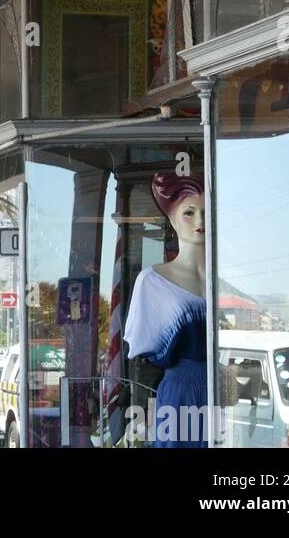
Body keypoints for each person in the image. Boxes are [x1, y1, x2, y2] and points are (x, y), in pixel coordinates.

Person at [124, 173, 207, 448]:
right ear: (172, 219)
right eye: (189, 213)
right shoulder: (153, 282)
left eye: (207, 212)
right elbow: (141, 359)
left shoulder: (226, 280)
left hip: (225, 391)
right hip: (181, 392)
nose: (200, 221)